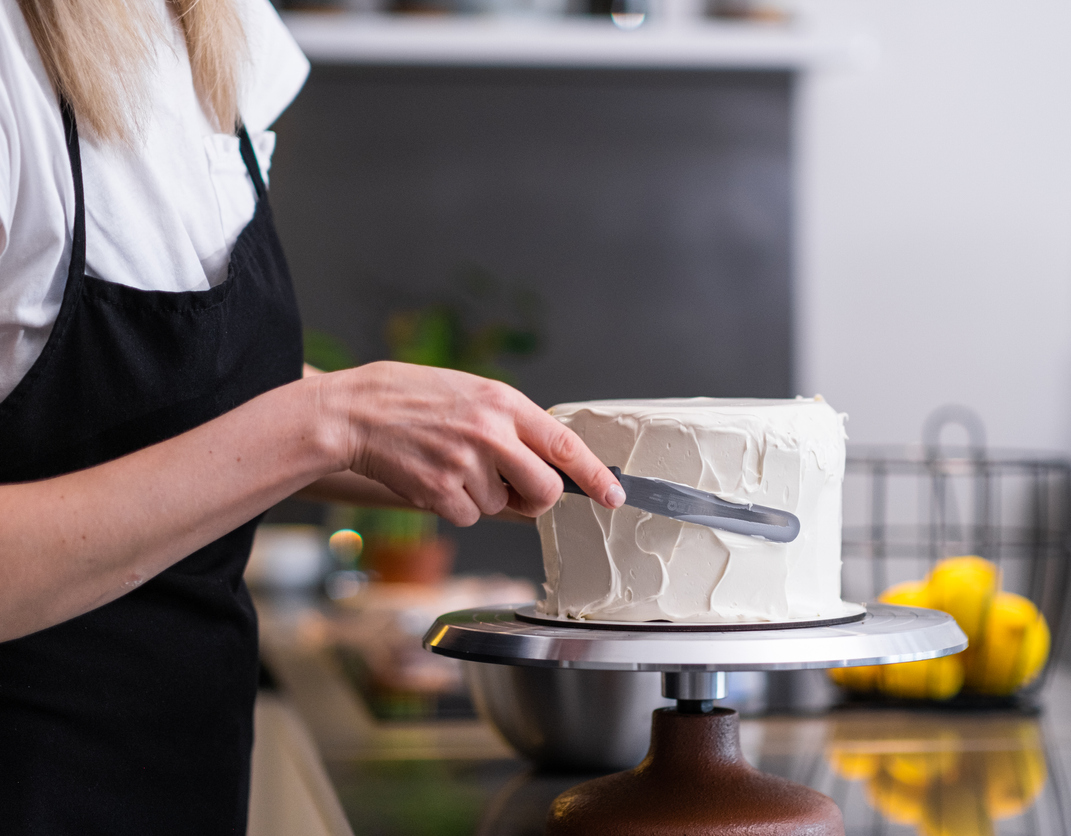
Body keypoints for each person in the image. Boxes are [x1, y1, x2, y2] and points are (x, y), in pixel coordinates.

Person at [0, 0, 625, 830]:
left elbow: (171, 393)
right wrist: (330, 421)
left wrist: (466, 443)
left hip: (177, 775)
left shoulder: (211, 25)